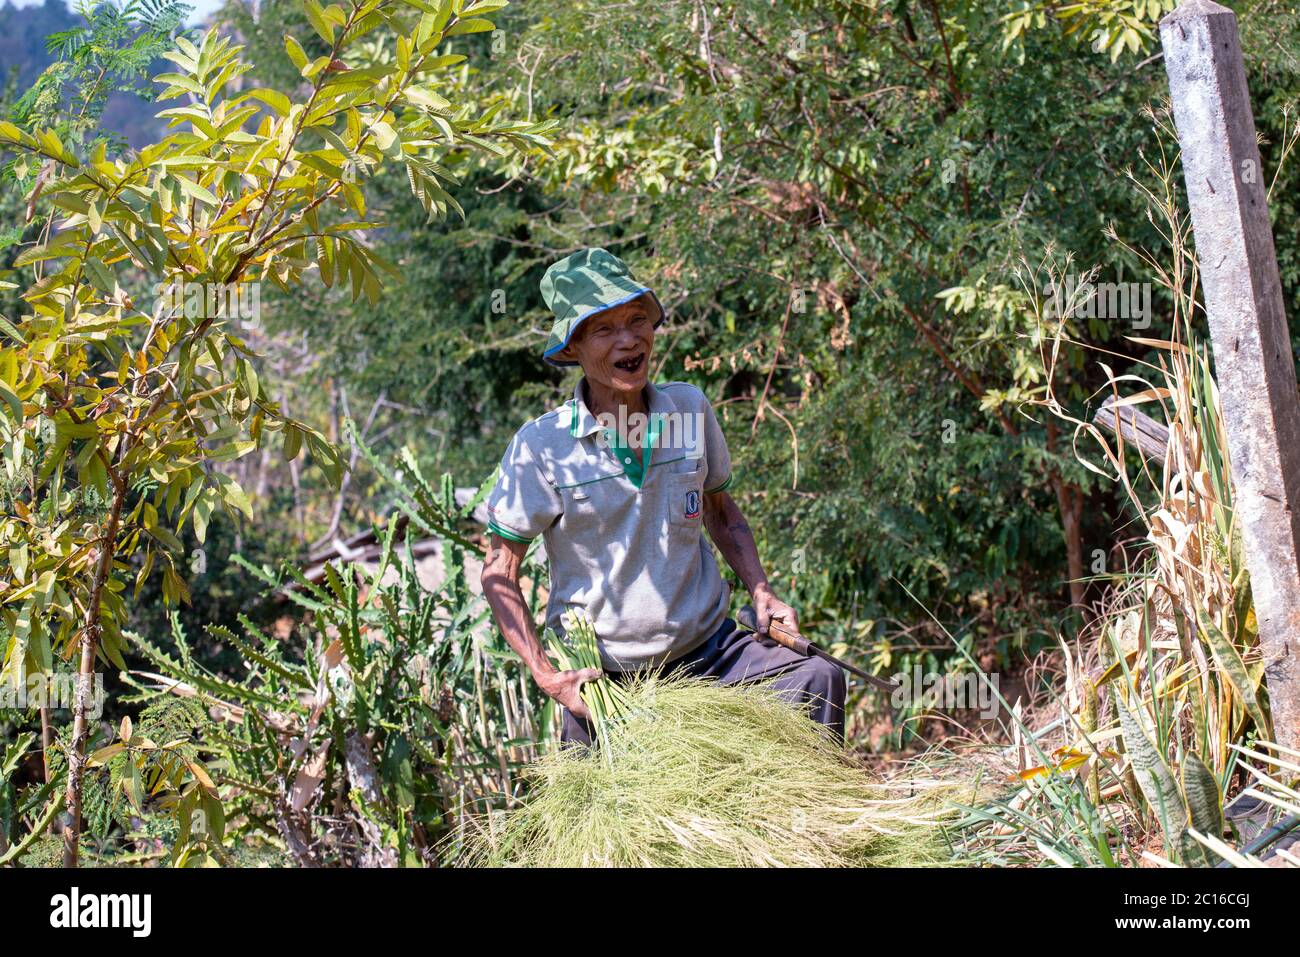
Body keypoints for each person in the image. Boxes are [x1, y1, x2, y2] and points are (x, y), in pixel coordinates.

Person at [480, 248, 844, 746]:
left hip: (713, 654)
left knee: (818, 679)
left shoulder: (689, 410)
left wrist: (761, 591)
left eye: (636, 320)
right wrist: (547, 674)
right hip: (609, 683)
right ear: (573, 350)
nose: (628, 339)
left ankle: (814, 820)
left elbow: (721, 512)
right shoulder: (542, 447)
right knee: (602, 812)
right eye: (604, 329)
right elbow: (499, 572)